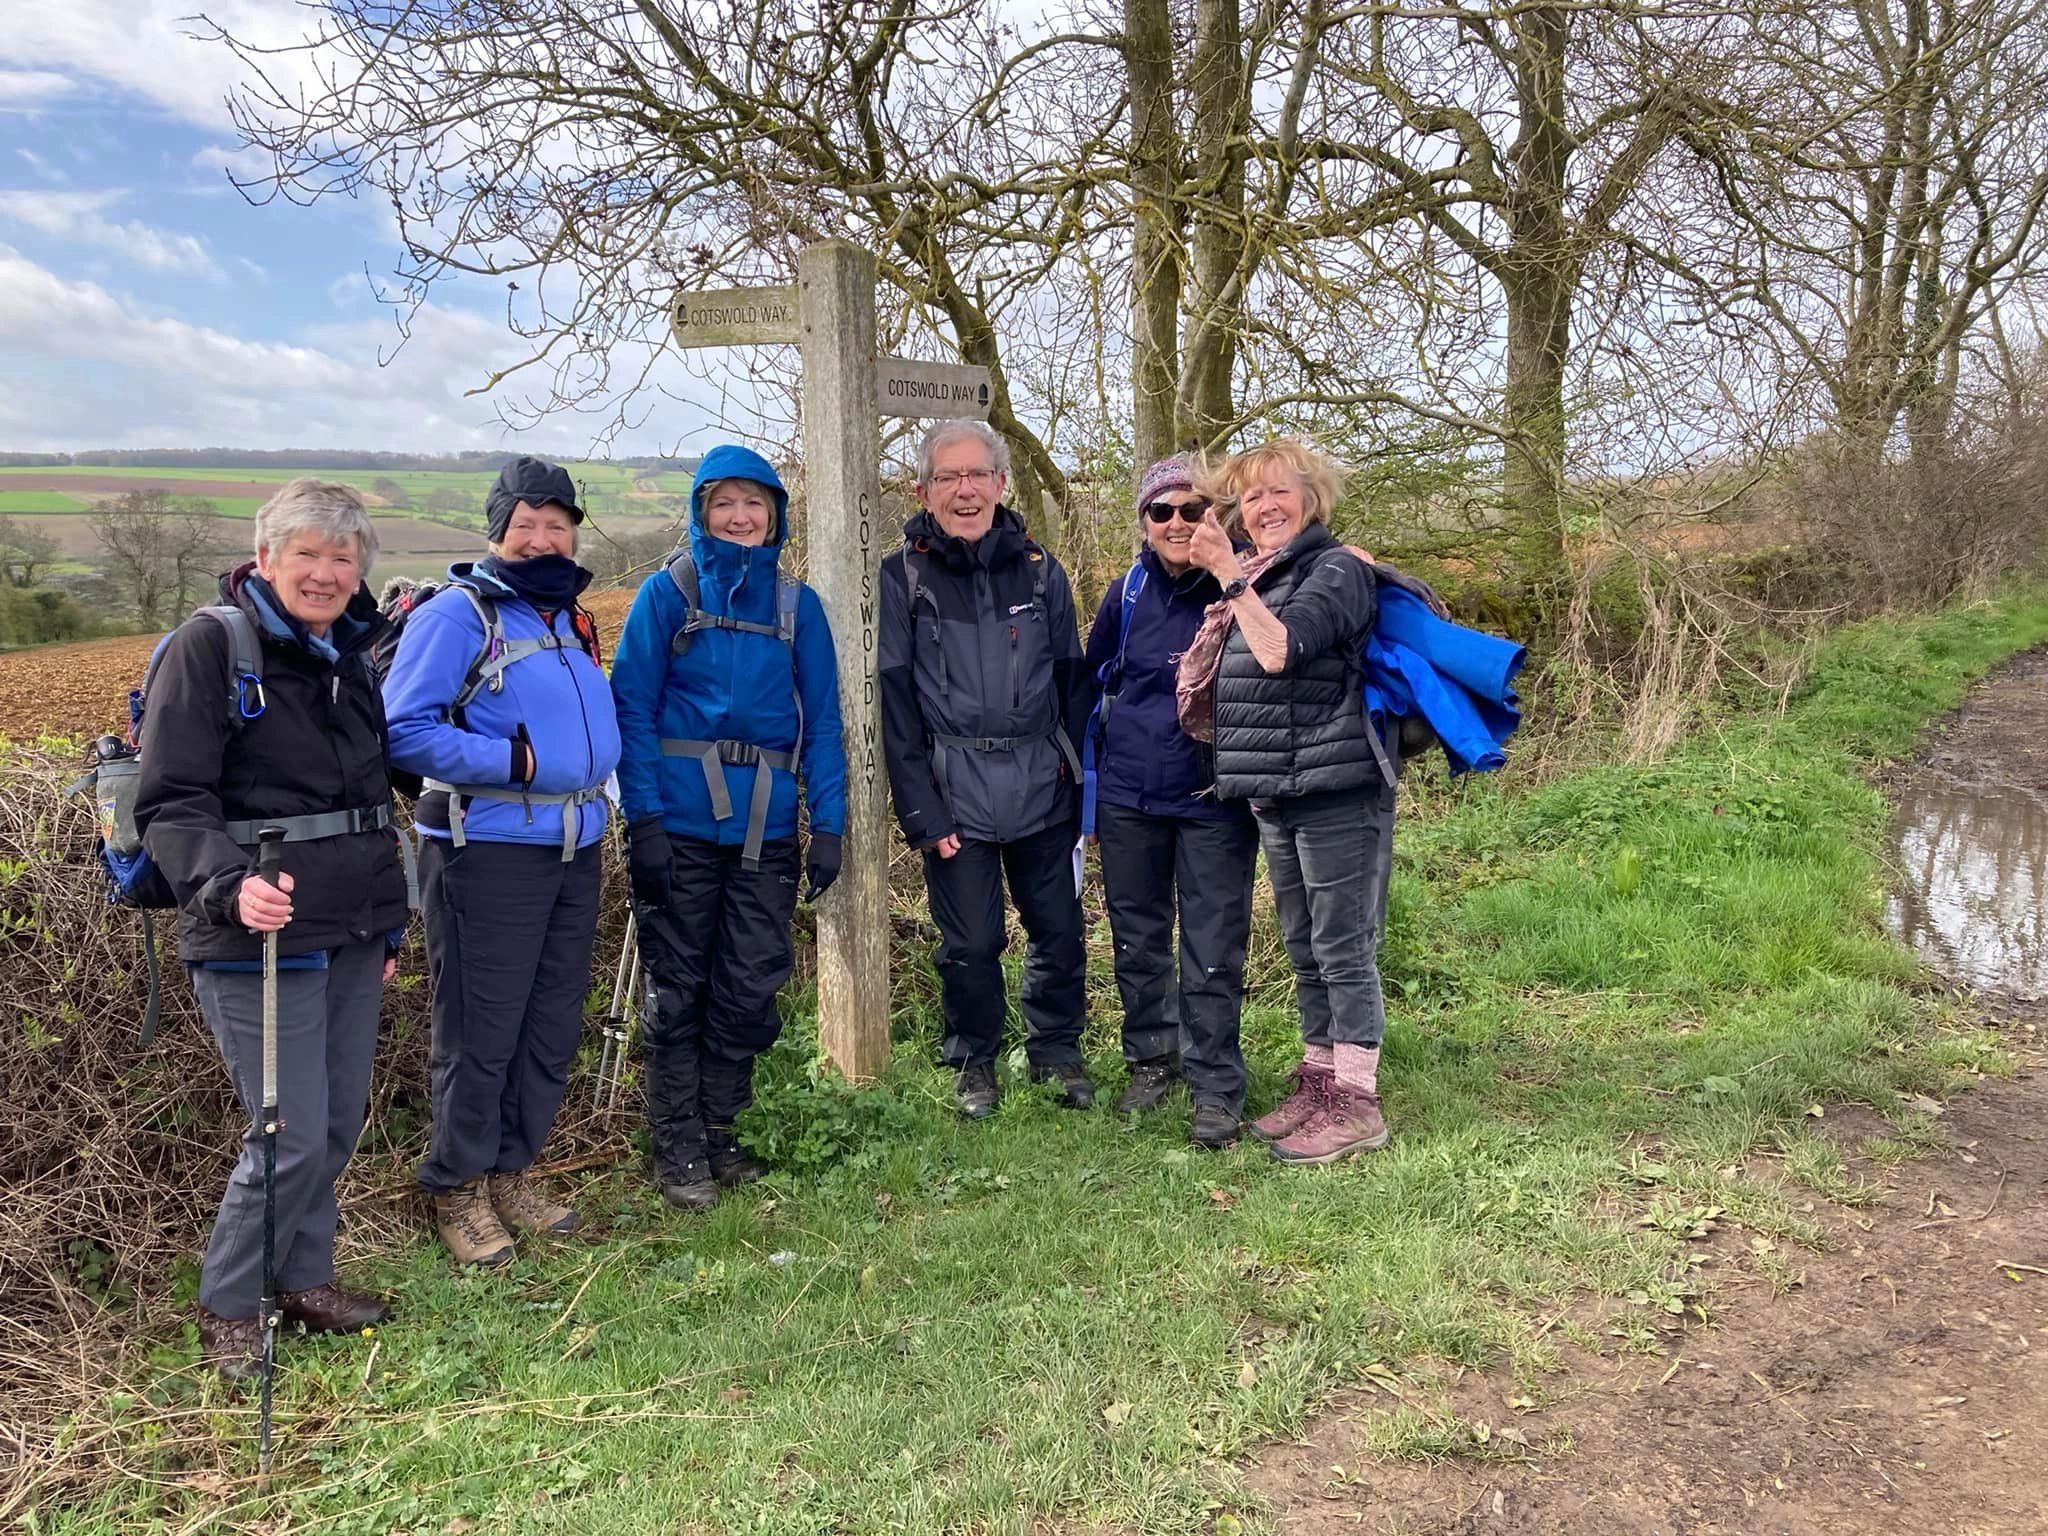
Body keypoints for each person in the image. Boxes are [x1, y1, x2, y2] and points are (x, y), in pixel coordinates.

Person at [135, 479, 409, 1377]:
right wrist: (225, 889)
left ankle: (304, 1280)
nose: (327, 573)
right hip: (257, 932)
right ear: (266, 560)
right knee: (287, 1130)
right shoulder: (210, 649)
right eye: (309, 554)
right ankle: (229, 1305)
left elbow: (368, 799)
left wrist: (390, 919)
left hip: (354, 925)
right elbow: (172, 802)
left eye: (343, 557)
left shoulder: (350, 654)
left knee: (333, 1123)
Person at [382, 456, 621, 1265]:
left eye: (559, 525)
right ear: (498, 533)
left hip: (572, 847)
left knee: (549, 1025)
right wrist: (509, 763)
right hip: (486, 850)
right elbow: (402, 729)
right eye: (528, 526)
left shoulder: (564, 618)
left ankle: (513, 1169)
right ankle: (457, 1187)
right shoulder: (460, 615)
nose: (546, 538)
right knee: (481, 1030)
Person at [609, 446, 846, 1210]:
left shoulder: (794, 607)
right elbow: (632, 711)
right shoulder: (666, 595)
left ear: (776, 514)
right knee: (678, 989)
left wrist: (830, 822)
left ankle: (722, 1130)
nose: (741, 517)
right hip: (678, 824)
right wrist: (640, 820)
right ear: (701, 512)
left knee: (747, 987)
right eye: (725, 504)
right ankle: (677, 1144)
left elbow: (826, 721)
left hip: (765, 829)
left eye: (756, 504)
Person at [1182, 439, 1396, 1164]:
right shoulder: (1268, 575)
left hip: (1337, 789)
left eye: (1279, 492)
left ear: (1313, 498)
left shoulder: (1334, 571)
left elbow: (1281, 653)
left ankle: (1358, 1104)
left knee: (1343, 947)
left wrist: (1227, 577)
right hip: (1276, 790)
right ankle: (1319, 1082)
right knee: (1306, 948)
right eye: (1251, 497)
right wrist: (1238, 579)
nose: (1265, 507)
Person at [879, 420, 1092, 1118]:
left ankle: (1056, 1051)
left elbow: (1072, 687)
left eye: (978, 475)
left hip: (1041, 782)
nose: (964, 490)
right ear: (923, 490)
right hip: (953, 787)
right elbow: (895, 703)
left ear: (1002, 484)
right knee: (970, 941)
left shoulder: (1041, 571)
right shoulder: (901, 576)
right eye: (948, 477)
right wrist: (920, 809)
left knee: (1059, 928)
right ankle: (974, 1059)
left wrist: (1077, 786)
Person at [1081, 457, 1258, 1149]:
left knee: (1213, 947)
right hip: (1129, 794)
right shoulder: (1124, 594)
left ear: (1215, 515)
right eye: (1163, 512)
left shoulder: (1243, 584)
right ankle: (1152, 1060)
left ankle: (1216, 1086)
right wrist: (1085, 789)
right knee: (1138, 939)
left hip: (1215, 797)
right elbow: (1090, 681)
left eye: (1193, 509)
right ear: (1145, 523)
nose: (1178, 522)